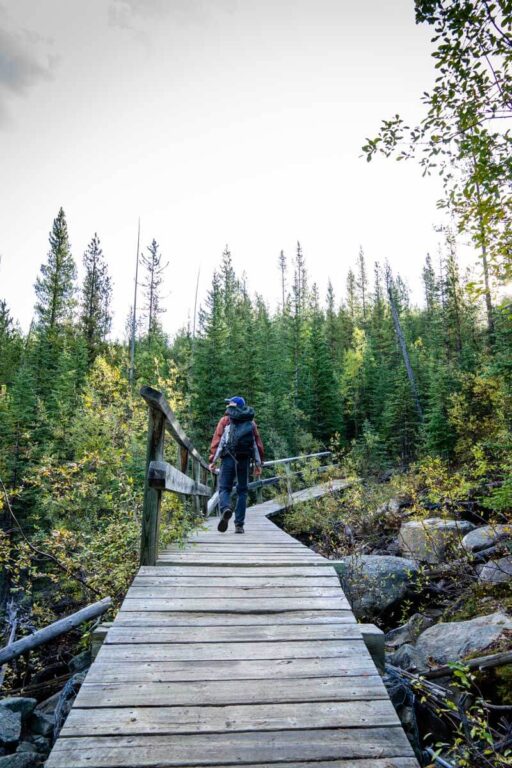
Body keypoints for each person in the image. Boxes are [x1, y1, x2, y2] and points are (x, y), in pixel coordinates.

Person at [209, 396, 265, 534]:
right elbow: (257, 444)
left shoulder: (225, 420)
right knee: (242, 491)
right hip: (244, 459)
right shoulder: (250, 422)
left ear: (234, 405)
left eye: (230, 403)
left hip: (228, 457)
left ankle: (226, 509)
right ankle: (239, 525)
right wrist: (259, 464)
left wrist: (212, 460)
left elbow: (218, 441)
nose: (227, 404)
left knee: (224, 488)